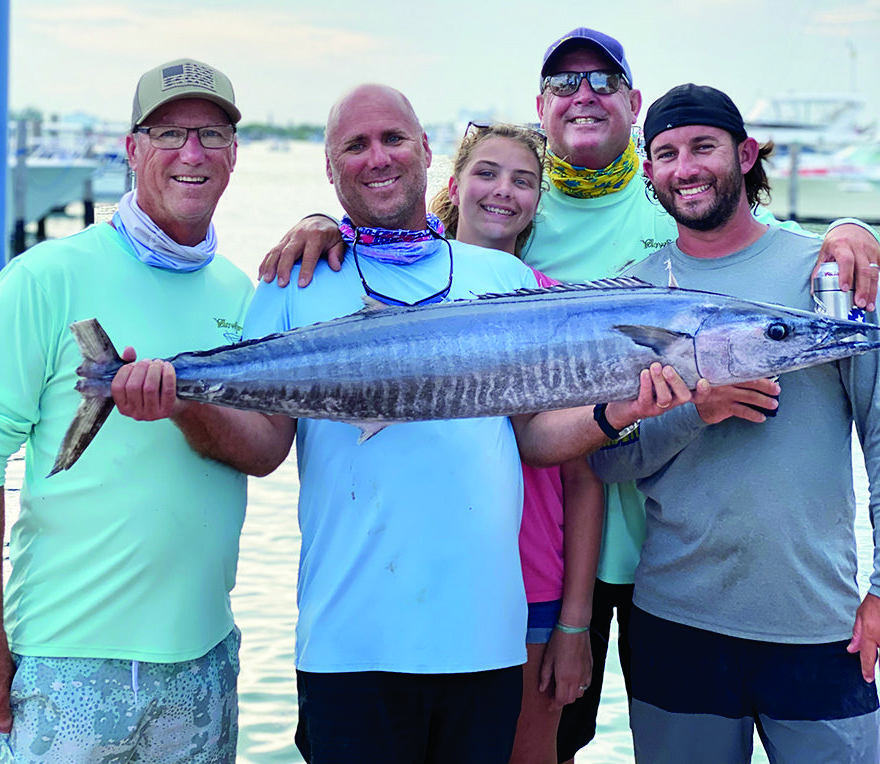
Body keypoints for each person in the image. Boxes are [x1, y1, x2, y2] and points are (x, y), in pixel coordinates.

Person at [257, 29, 880, 762]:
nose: (686, 170)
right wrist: (318, 220)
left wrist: (850, 228)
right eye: (562, 84)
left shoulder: (713, 240)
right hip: (601, 580)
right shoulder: (519, 235)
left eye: (703, 149)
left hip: (690, 582)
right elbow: (394, 218)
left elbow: (770, 262)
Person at [589, 82, 880, 764]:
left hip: (821, 626)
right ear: (648, 169)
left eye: (703, 147)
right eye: (666, 154)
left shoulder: (826, 273)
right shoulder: (630, 291)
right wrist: (696, 409)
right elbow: (607, 460)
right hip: (674, 623)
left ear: (746, 154)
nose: (684, 167)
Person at [0, 58, 255, 764]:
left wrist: (182, 405)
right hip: (63, 663)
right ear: (132, 149)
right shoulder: (41, 278)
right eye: (169, 133)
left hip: (204, 664)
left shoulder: (242, 294)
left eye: (212, 134)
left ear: (233, 154)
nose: (191, 154)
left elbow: (263, 450)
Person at [430, 122, 604, 764]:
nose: (504, 191)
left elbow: (585, 480)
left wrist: (575, 623)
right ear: (453, 185)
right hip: (421, 580)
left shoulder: (557, 306)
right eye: (487, 173)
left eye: (524, 180)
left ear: (538, 200)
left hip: (533, 584)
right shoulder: (401, 294)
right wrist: (317, 221)